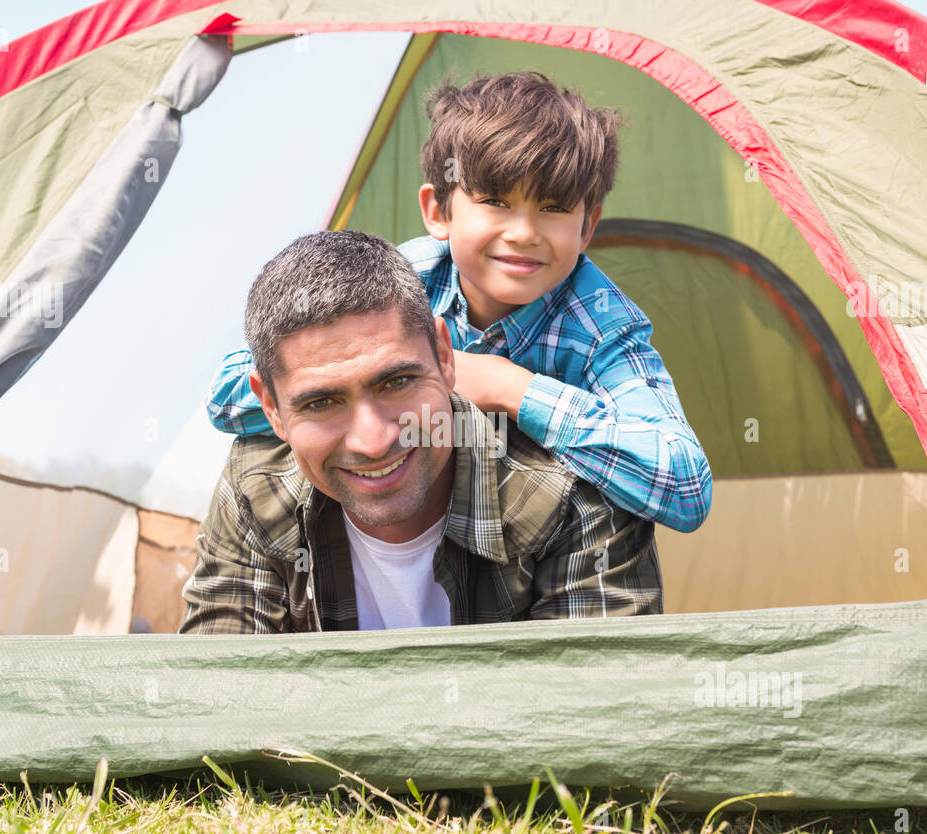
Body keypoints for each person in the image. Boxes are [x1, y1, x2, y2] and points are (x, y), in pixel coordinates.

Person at [205, 71, 712, 532]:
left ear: (588, 227)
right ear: (438, 211)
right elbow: (228, 395)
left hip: (524, 553)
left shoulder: (603, 326)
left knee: (607, 491)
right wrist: (396, 392)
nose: (524, 233)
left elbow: (686, 486)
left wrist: (510, 388)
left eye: (553, 208)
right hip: (394, 520)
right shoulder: (403, 284)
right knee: (267, 452)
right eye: (496, 201)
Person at [178, 230, 662, 634]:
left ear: (445, 357)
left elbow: (591, 728)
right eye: (321, 402)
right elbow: (219, 706)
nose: (373, 440)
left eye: (396, 382)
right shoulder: (255, 488)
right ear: (271, 409)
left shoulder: (574, 498)